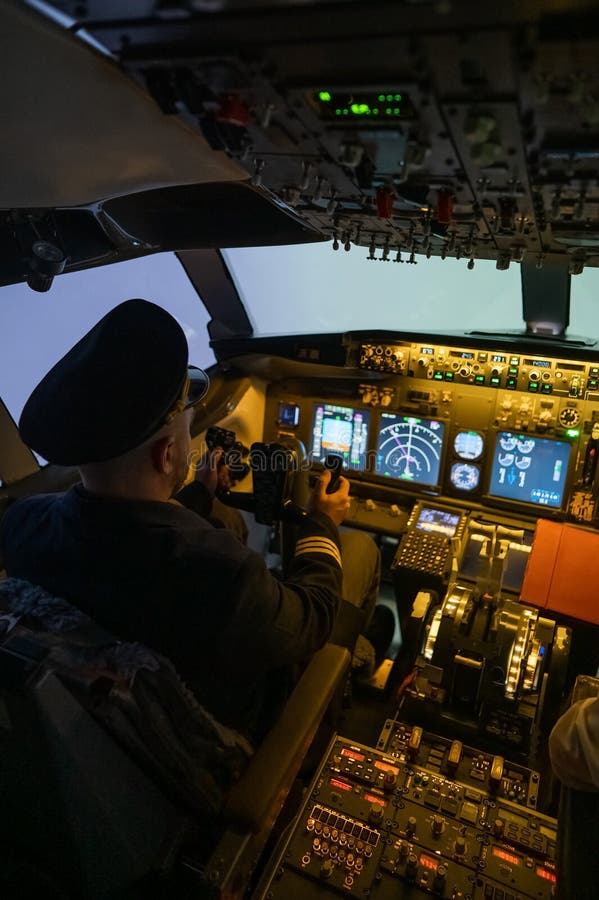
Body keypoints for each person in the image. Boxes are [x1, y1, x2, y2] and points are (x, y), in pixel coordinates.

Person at [0, 298, 381, 739]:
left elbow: (124, 544)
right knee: (357, 549)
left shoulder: (24, 522)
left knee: (225, 519)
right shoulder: (219, 574)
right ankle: (356, 668)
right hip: (234, 717)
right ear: (166, 455)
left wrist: (199, 494)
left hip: (113, 717)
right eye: (187, 419)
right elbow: (311, 618)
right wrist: (322, 525)